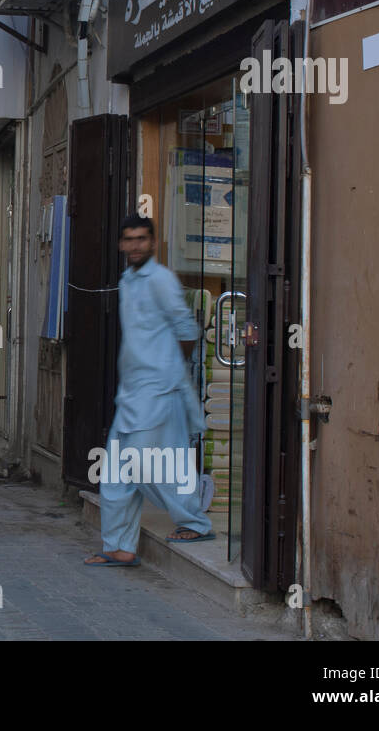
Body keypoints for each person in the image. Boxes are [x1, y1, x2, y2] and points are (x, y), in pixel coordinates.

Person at [85, 214, 213, 568]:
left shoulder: (161, 279)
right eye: (129, 239)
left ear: (153, 243)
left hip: (159, 390)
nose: (135, 245)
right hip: (132, 393)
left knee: (144, 466)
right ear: (122, 244)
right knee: (114, 474)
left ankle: (195, 522)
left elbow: (187, 329)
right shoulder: (127, 280)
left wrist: (170, 368)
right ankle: (120, 547)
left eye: (142, 239)